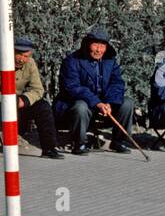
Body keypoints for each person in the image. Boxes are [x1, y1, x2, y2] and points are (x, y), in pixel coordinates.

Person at [0, 37, 62, 162]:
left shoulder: (30, 63)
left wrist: (24, 100)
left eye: (26, 56)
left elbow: (38, 90)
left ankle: (49, 148)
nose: (22, 59)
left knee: (43, 106)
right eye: (19, 54)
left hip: (18, 103)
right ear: (11, 51)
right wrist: (10, 101)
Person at [53, 27, 136, 155]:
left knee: (127, 103)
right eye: (95, 45)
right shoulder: (72, 61)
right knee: (81, 106)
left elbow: (117, 84)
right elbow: (73, 88)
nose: (99, 50)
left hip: (103, 105)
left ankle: (119, 142)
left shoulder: (110, 61)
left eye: (102, 46)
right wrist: (97, 102)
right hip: (76, 106)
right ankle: (78, 143)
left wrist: (109, 102)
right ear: (87, 44)